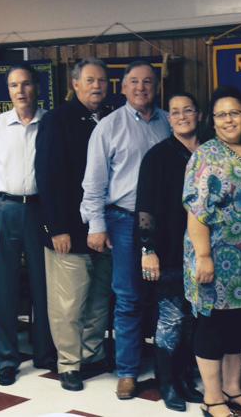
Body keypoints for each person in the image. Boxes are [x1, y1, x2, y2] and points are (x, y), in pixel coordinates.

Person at [81, 61, 171, 400]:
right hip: (123, 221)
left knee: (169, 296)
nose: (141, 87)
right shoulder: (108, 127)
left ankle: (170, 367)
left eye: (148, 81)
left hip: (165, 223)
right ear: (122, 88)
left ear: (157, 86)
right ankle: (128, 371)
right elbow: (94, 183)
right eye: (134, 82)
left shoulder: (168, 122)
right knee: (129, 297)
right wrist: (97, 225)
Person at [183, 87, 241, 417]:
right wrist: (203, 256)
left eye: (235, 112)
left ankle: (233, 388)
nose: (229, 120)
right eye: (221, 114)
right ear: (212, 121)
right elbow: (196, 210)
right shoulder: (206, 155)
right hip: (214, 254)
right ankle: (212, 397)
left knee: (239, 325)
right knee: (212, 326)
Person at [0, 64, 55, 386]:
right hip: (3, 209)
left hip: (39, 211)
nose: (20, 91)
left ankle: (45, 353)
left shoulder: (50, 123)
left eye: (25, 84)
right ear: (8, 91)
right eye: (13, 86)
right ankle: (6, 359)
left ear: (36, 87)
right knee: (3, 290)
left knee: (43, 286)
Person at [35, 58, 111, 392]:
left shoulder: (111, 117)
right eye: (90, 80)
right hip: (68, 227)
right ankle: (68, 363)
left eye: (102, 81)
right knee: (67, 303)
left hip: (105, 227)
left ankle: (92, 354)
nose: (97, 86)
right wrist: (56, 228)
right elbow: (47, 176)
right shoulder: (56, 120)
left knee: (97, 299)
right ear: (75, 84)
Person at [137, 91, 204, 411]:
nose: (181, 116)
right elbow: (145, 208)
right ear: (169, 118)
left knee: (193, 321)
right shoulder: (157, 156)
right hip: (168, 251)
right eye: (174, 112)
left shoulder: (209, 152)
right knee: (171, 320)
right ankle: (167, 384)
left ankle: (185, 379)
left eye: (187, 110)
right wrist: (148, 250)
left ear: (199, 115)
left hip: (203, 252)